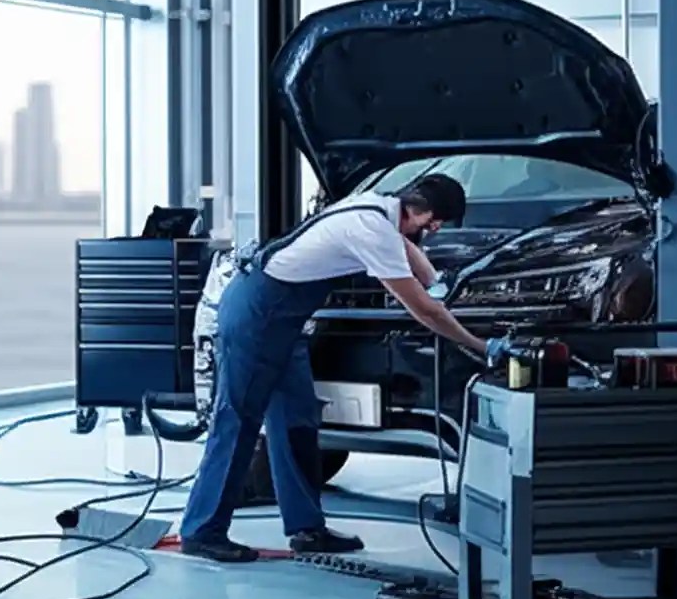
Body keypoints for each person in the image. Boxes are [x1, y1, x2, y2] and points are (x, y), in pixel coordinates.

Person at [178, 173, 513, 562]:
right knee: (238, 419)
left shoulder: (377, 207)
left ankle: (307, 529)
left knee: (298, 419)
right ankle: (202, 531)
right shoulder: (370, 229)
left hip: (286, 318)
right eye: (434, 224)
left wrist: (435, 278)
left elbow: (405, 247)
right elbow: (422, 310)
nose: (433, 232)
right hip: (259, 312)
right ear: (427, 215)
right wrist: (479, 344)